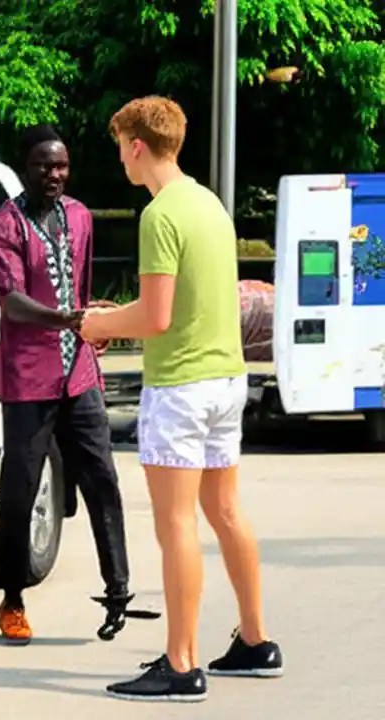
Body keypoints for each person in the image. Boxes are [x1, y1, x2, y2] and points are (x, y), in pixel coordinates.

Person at [81, 96, 283, 703]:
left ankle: (181, 663)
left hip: (181, 388)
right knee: (226, 513)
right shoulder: (209, 204)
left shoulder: (161, 214)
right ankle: (255, 642)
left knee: (176, 526)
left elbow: (156, 315)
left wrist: (100, 323)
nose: (120, 157)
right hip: (225, 380)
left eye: (121, 145)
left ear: (138, 145)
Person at [0, 123, 137, 645]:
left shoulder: (79, 216)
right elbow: (10, 300)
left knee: (103, 480)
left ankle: (118, 590)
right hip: (27, 378)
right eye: (44, 165)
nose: (54, 174)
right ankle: (12, 600)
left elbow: (84, 286)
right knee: (19, 492)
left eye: (61, 165)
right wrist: (67, 320)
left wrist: (90, 327)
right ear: (24, 167)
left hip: (79, 375)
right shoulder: (7, 223)